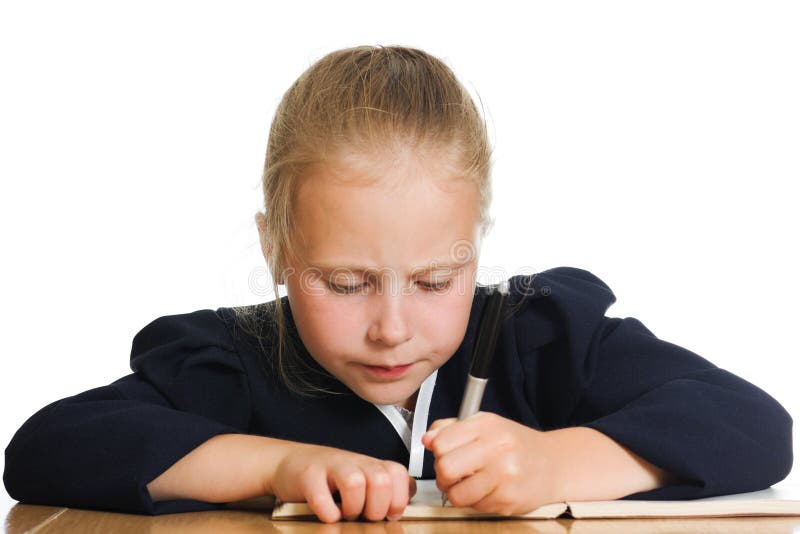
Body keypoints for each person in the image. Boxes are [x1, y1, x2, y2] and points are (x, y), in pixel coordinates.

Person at [3, 45, 793, 524]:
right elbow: (48, 449)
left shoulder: (537, 340)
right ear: (277, 246)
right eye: (345, 282)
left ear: (474, 250)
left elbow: (753, 427)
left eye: (434, 279)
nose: (392, 328)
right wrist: (273, 468)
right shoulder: (234, 360)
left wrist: (556, 465)